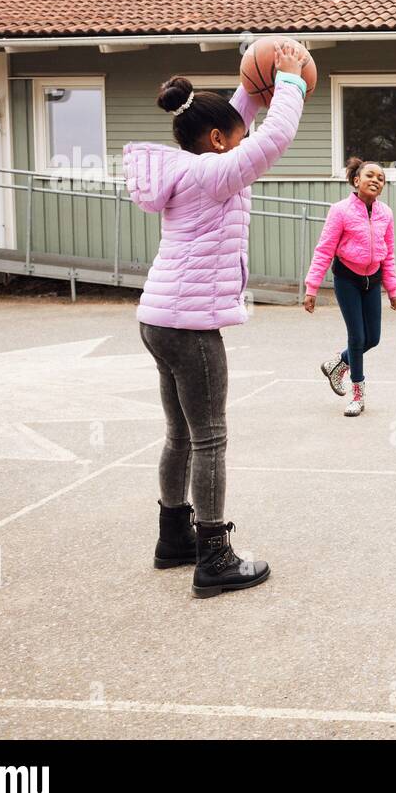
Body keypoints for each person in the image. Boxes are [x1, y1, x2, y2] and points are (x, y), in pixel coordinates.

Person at [124, 42, 307, 597]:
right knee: (210, 439)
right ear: (220, 142)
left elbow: (232, 124)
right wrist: (292, 81)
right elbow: (275, 139)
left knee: (180, 434)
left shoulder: (187, 165)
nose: (244, 143)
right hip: (189, 325)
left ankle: (173, 537)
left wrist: (251, 95)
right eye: (236, 137)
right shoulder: (214, 174)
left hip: (157, 318)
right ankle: (214, 557)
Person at [303, 158, 396, 416]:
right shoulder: (340, 211)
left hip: (374, 279)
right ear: (357, 181)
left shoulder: (386, 213)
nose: (376, 180)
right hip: (347, 279)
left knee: (373, 338)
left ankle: (337, 363)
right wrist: (312, 287)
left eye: (381, 178)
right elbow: (324, 250)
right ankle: (357, 395)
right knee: (357, 337)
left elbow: (388, 253)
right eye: (370, 175)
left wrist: (392, 289)